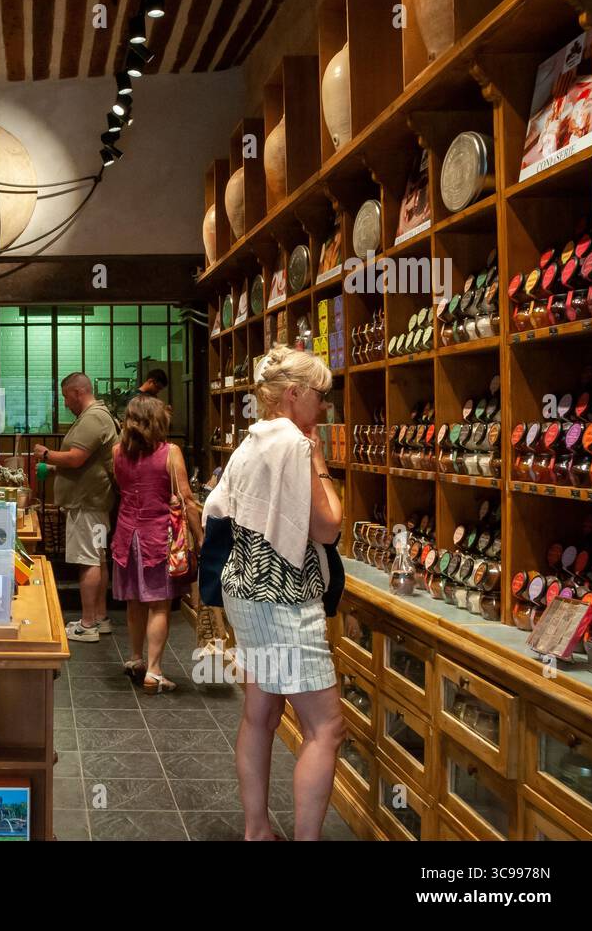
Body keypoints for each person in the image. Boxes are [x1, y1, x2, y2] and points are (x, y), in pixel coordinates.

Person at [202, 345, 345, 841]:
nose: (325, 407)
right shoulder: (296, 443)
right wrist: (322, 461)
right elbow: (329, 527)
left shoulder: (251, 440)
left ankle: (257, 830)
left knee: (260, 715)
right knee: (325, 728)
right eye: (321, 396)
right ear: (294, 393)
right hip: (284, 595)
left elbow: (216, 508)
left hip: (246, 590)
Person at [111, 395, 203, 692]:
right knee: (159, 606)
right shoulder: (170, 452)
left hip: (126, 536)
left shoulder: (116, 453)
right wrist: (200, 538)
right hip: (158, 538)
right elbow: (187, 499)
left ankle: (136, 658)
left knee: (134, 602)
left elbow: (121, 488)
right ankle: (154, 671)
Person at [34, 372, 118, 642]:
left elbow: (76, 458)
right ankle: (101, 617)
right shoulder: (95, 416)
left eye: (65, 396)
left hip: (87, 505)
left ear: (77, 392)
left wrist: (46, 455)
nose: (65, 403)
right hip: (94, 502)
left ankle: (88, 624)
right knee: (98, 558)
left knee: (88, 560)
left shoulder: (93, 417)